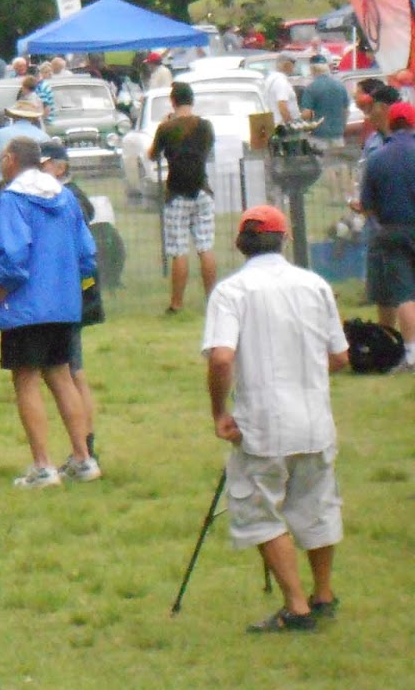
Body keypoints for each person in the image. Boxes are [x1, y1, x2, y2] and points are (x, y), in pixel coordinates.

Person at [202, 204, 350, 632]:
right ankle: (323, 593)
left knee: (257, 510)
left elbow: (221, 357)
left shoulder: (232, 292)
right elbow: (339, 356)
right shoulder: (315, 285)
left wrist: (218, 411)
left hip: (262, 423)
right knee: (317, 506)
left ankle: (296, 606)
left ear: (240, 244)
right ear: (284, 240)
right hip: (314, 419)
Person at [0, 136, 99, 488]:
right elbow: (87, 253)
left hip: (25, 307)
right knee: (61, 376)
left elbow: (14, 257)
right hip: (63, 305)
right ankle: (83, 459)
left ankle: (43, 467)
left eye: (3, 157)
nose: (1, 164)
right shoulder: (65, 198)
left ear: (13, 160)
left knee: (26, 379)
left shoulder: (13, 199)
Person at [39, 140, 101, 461]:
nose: (40, 169)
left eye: (45, 163)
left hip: (71, 293)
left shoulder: (69, 198)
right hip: (73, 291)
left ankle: (85, 448)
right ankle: (84, 447)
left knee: (72, 371)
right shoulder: (71, 196)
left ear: (60, 167)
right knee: (72, 370)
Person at [148, 80, 217, 314]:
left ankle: (176, 304)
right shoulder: (205, 126)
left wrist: (164, 126)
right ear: (192, 100)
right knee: (205, 246)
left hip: (177, 192)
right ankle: (212, 300)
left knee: (179, 250)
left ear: (173, 101)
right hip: (202, 190)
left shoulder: (167, 128)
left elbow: (151, 155)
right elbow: (208, 150)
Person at [358, 100, 415, 371]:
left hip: (393, 231)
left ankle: (412, 355)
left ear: (391, 124)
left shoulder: (377, 158)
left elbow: (367, 204)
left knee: (405, 295)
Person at [0, 99, 47, 183]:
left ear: (13, 117)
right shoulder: (43, 136)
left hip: (3, 183)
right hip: (33, 183)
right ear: (34, 118)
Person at [263, 55, 299, 125]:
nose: (294, 68)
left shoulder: (271, 78)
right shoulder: (281, 81)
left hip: (273, 122)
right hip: (281, 125)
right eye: (293, 64)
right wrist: (290, 124)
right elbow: (282, 105)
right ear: (286, 65)